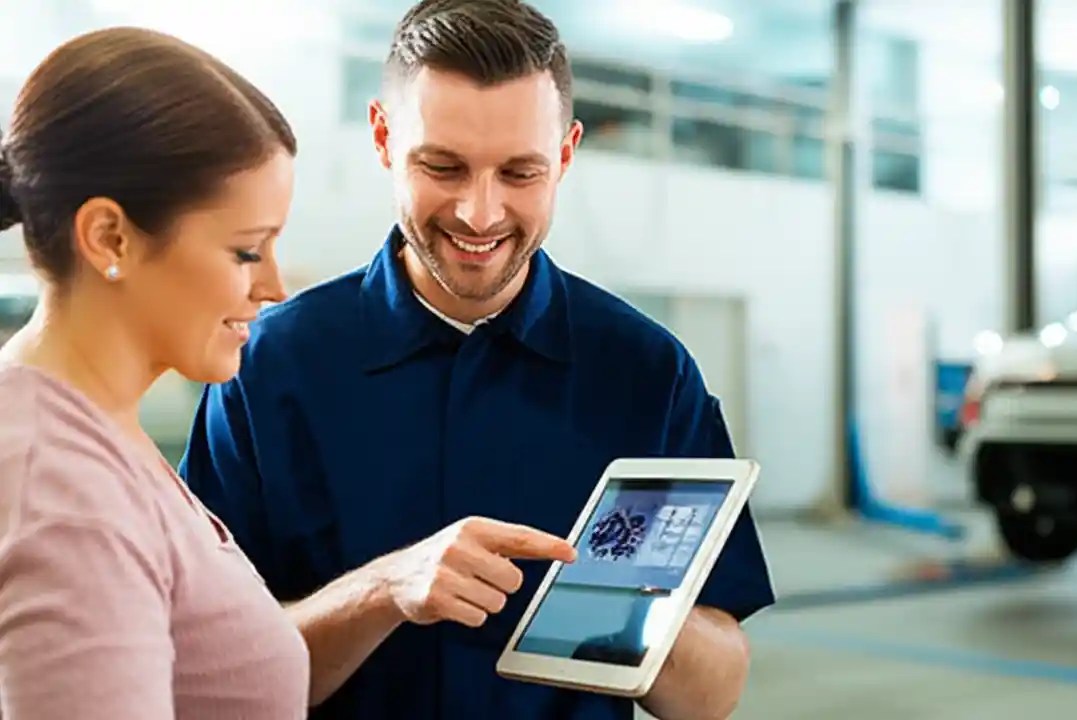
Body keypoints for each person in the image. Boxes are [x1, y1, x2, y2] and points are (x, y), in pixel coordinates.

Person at [179, 0, 777, 719]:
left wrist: (613, 610)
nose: (479, 213)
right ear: (381, 137)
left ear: (565, 154)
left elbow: (711, 698)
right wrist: (385, 591)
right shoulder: (270, 370)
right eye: (444, 166)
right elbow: (207, 680)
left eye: (519, 174)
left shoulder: (647, 375)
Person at [0, 25, 576, 719]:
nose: (273, 286)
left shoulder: (96, 445)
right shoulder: (63, 494)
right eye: (247, 251)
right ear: (109, 238)